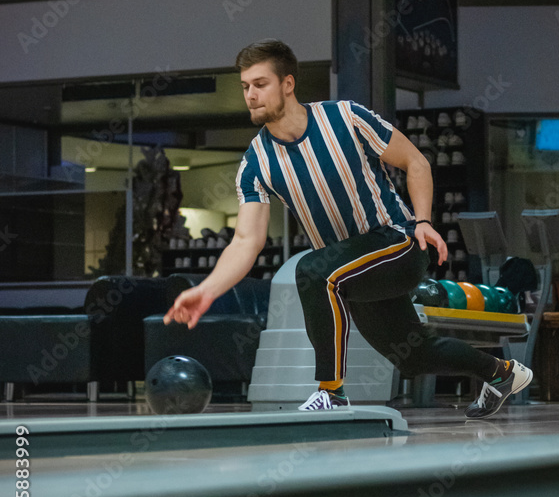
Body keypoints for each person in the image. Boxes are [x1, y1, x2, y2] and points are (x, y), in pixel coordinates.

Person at [163, 39, 532, 419]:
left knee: (310, 270)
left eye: (260, 84)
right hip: (349, 270)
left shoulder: (345, 118)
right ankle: (503, 374)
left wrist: (423, 220)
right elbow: (246, 241)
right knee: (415, 356)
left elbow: (415, 162)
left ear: (288, 84)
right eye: (245, 87)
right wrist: (206, 291)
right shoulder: (256, 162)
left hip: (398, 243)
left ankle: (331, 393)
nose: (251, 95)